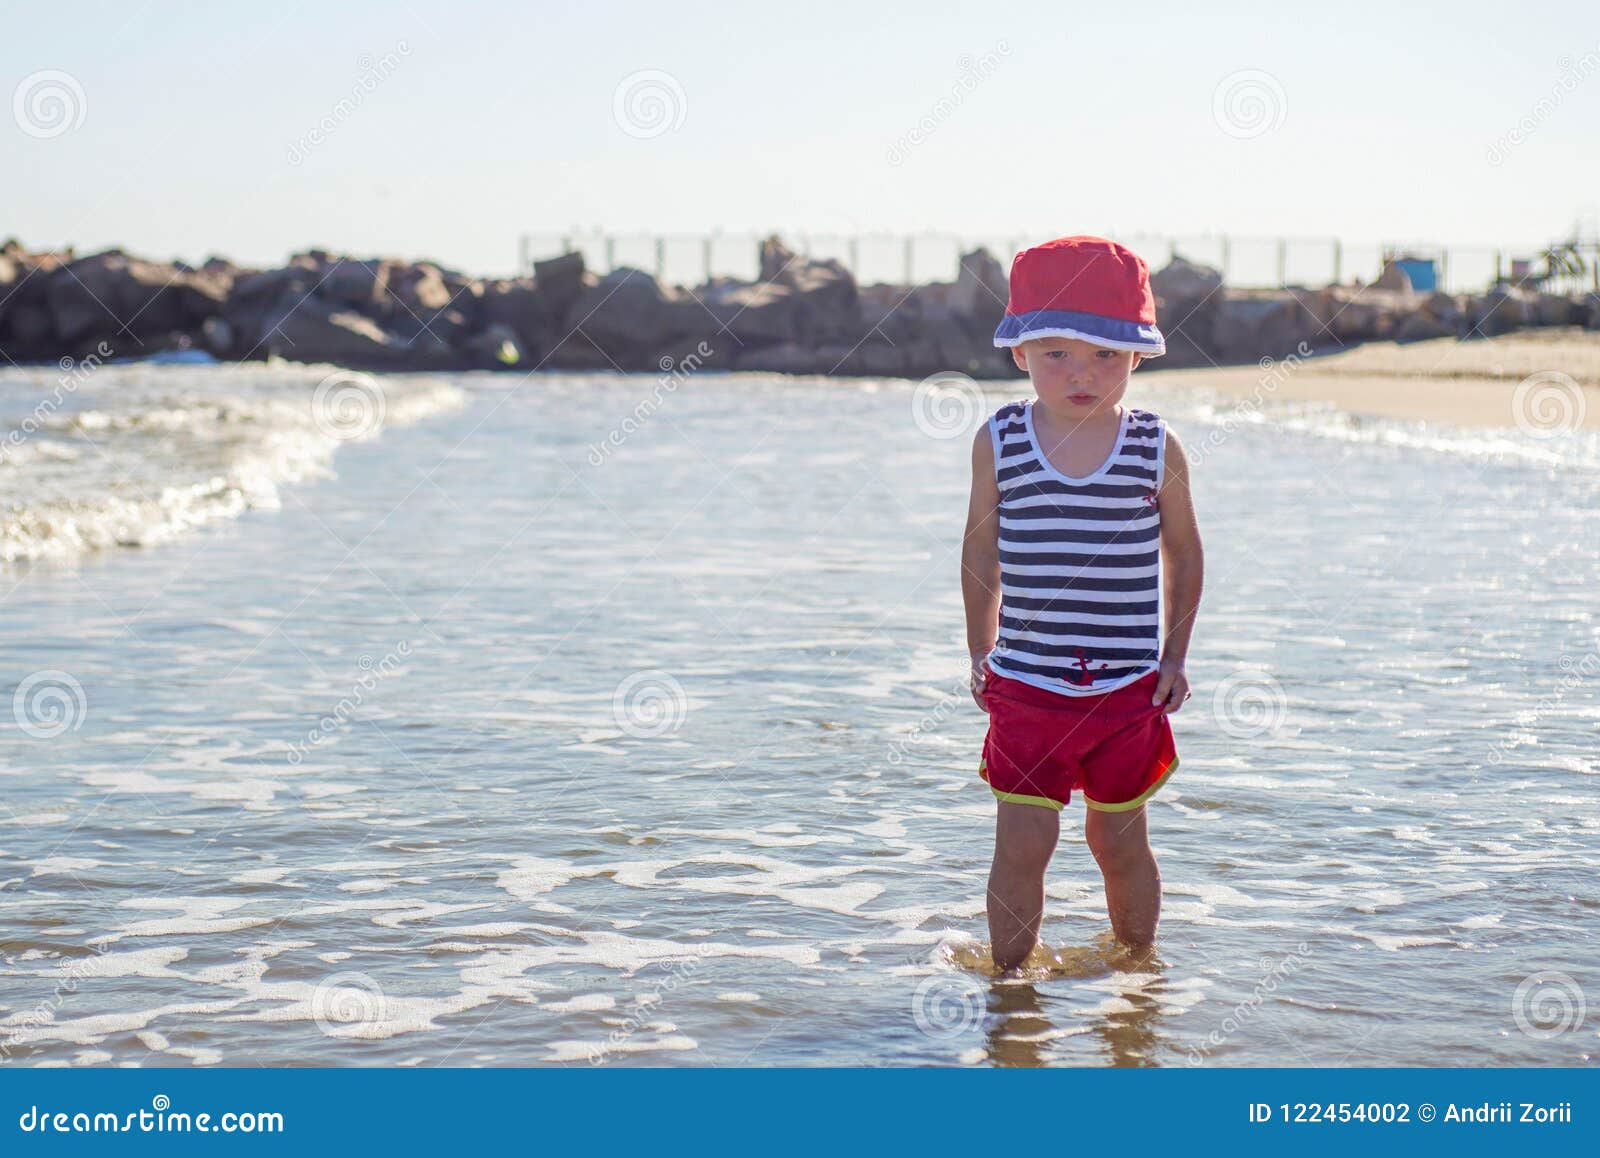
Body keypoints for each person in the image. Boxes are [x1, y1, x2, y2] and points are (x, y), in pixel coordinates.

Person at [960, 235, 1204, 972]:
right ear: (1020, 354)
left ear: (1138, 357)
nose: (1081, 373)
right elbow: (978, 551)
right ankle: (1009, 995)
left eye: (1105, 354)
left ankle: (1138, 981)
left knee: (1120, 842)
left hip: (1127, 688)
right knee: (1023, 843)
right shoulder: (1000, 439)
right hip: (1028, 686)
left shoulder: (1154, 444)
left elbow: (1185, 553)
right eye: (1057, 353)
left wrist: (1174, 657)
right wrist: (980, 649)